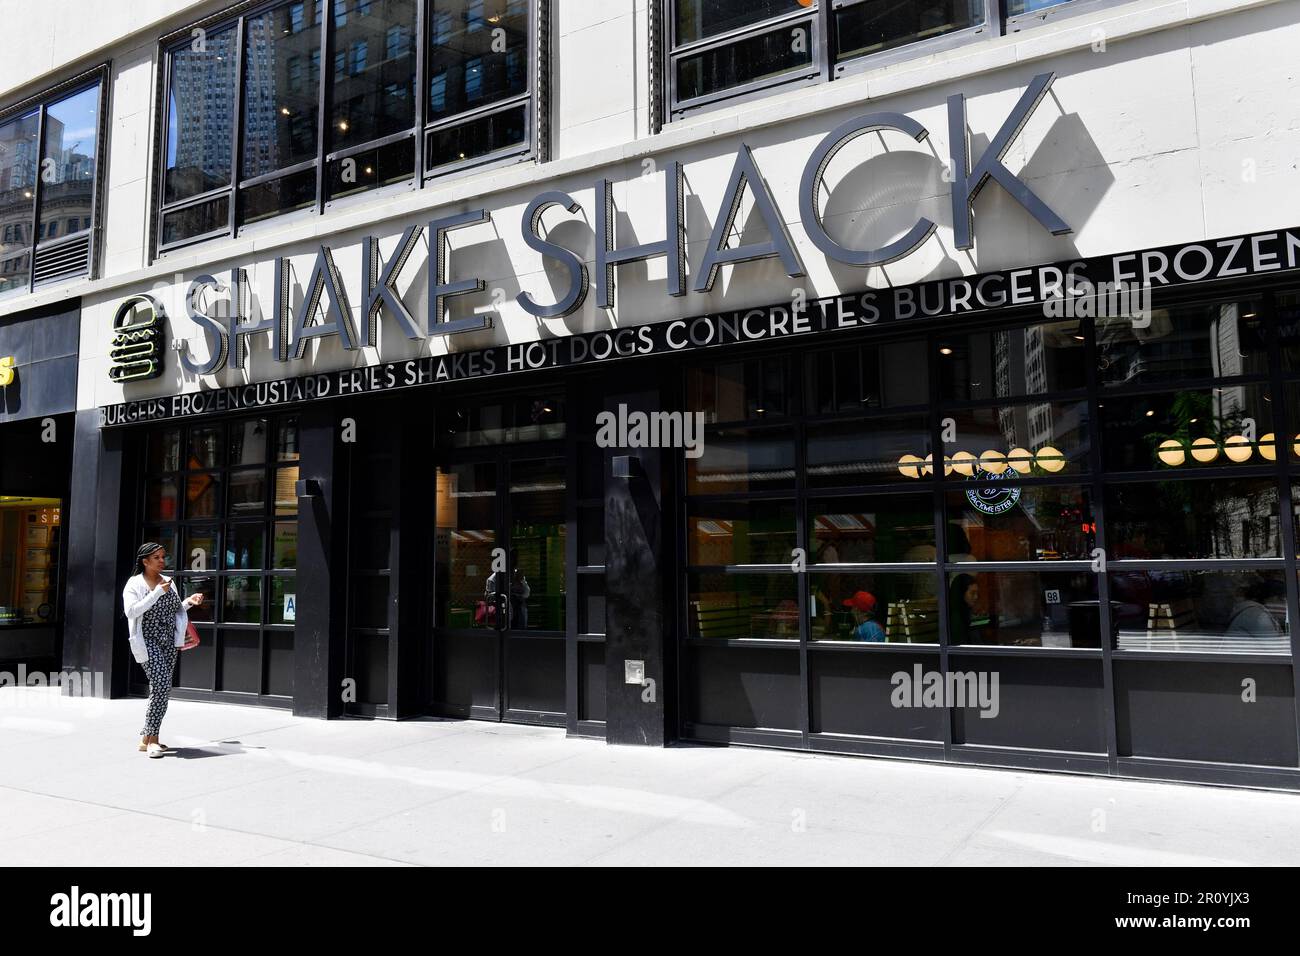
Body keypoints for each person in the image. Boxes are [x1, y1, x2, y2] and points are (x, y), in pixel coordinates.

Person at [123, 542, 204, 757]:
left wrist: (189, 601)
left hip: (168, 642)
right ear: (145, 561)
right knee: (160, 683)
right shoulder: (134, 584)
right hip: (147, 641)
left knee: (162, 689)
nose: (162, 561)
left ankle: (145, 738)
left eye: (163, 557)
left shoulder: (169, 582)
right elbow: (131, 611)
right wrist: (157, 592)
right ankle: (153, 740)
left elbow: (176, 609)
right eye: (157, 557)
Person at [485, 548, 530, 629]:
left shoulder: (518, 576)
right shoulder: (494, 579)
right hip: (503, 615)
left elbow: (526, 594)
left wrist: (520, 581)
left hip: (519, 614)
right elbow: (491, 598)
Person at [949, 573, 983, 644]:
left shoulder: (965, 612)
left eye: (977, 593)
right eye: (972, 593)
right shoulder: (955, 618)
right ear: (961, 593)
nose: (976, 597)